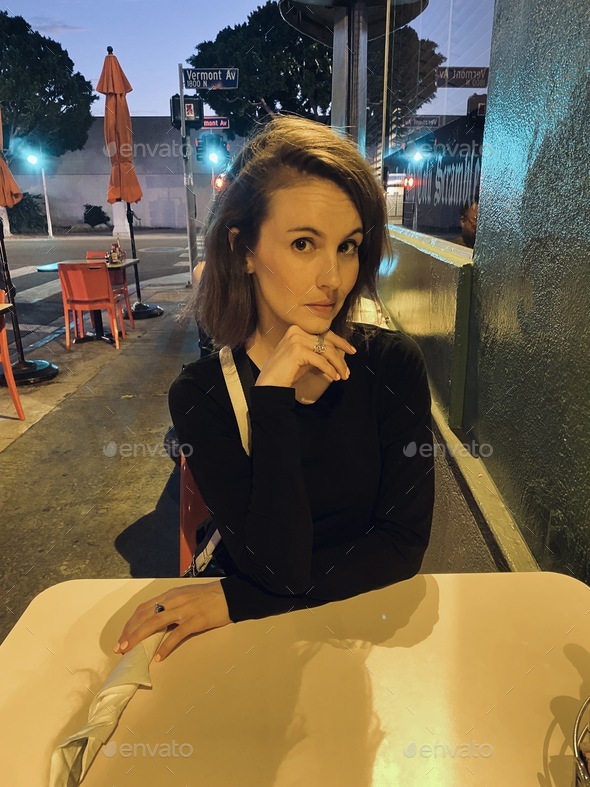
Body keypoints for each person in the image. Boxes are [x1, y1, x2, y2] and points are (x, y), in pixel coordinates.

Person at [115, 116, 435, 661]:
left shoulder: (389, 366)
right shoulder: (203, 394)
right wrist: (271, 400)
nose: (333, 279)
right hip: (254, 652)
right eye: (304, 243)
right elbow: (275, 565)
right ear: (243, 249)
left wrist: (240, 599)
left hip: (367, 639)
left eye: (349, 246)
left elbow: (401, 548)